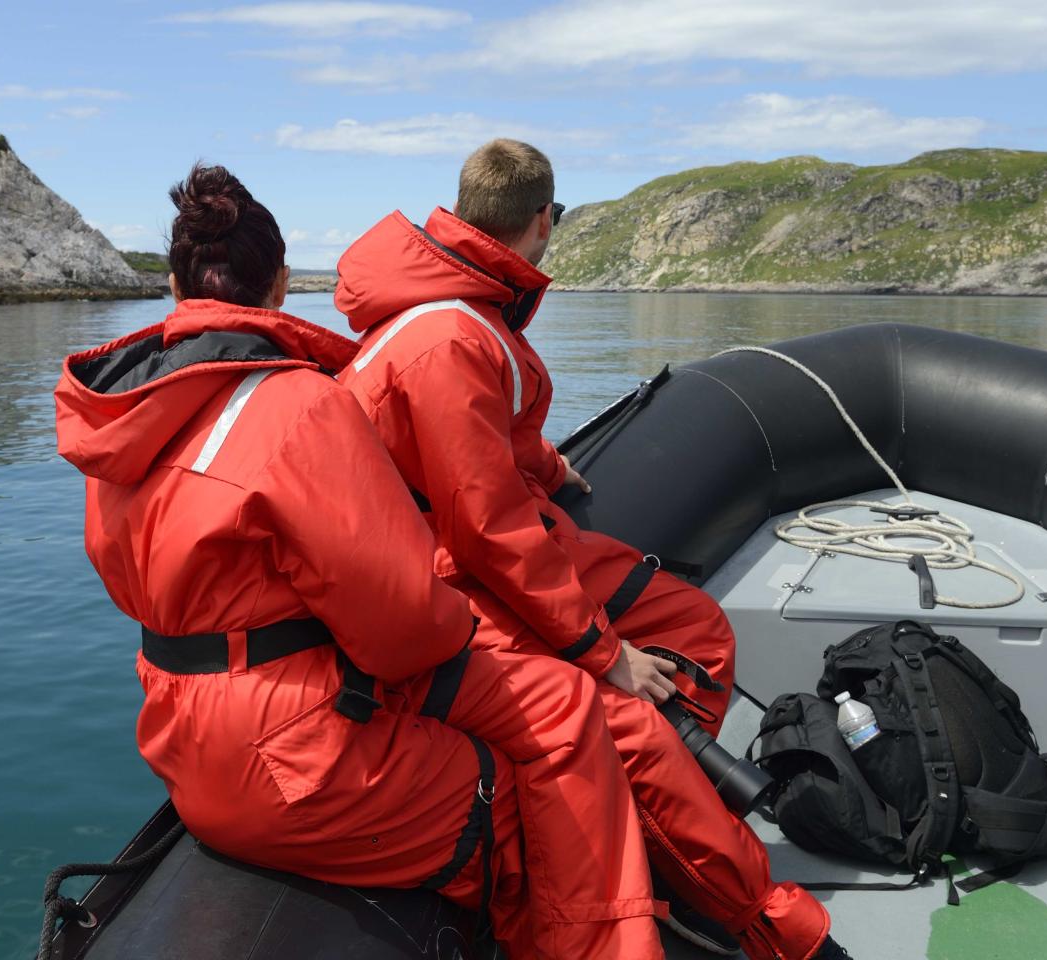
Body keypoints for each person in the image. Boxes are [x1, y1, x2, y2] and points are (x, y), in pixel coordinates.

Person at [54, 163, 665, 959]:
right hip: (299, 762)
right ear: (280, 285)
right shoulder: (301, 405)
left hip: (178, 743)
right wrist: (466, 627)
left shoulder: (120, 421)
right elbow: (405, 624)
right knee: (545, 802)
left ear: (174, 287)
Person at [334, 140, 845, 960]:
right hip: (440, 578)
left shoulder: (463, 311)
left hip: (472, 549)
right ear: (544, 219)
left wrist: (545, 464)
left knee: (695, 629)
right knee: (628, 722)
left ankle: (655, 830)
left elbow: (487, 441)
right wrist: (605, 655)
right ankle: (740, 905)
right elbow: (485, 527)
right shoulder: (448, 338)